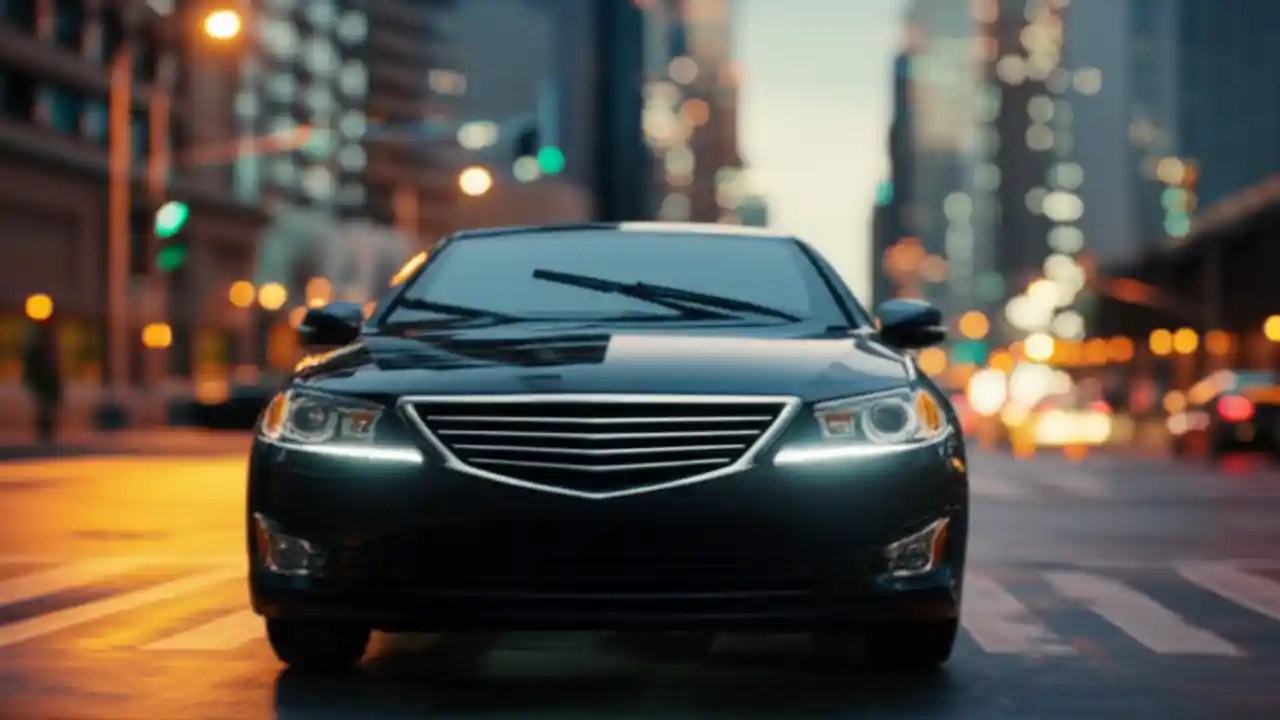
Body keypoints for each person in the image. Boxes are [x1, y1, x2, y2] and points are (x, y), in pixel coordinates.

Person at [21, 317, 62, 444]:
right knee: (44, 406)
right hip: (44, 380)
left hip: (48, 381)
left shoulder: (48, 342)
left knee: (47, 406)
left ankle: (46, 431)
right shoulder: (39, 342)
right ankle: (44, 431)